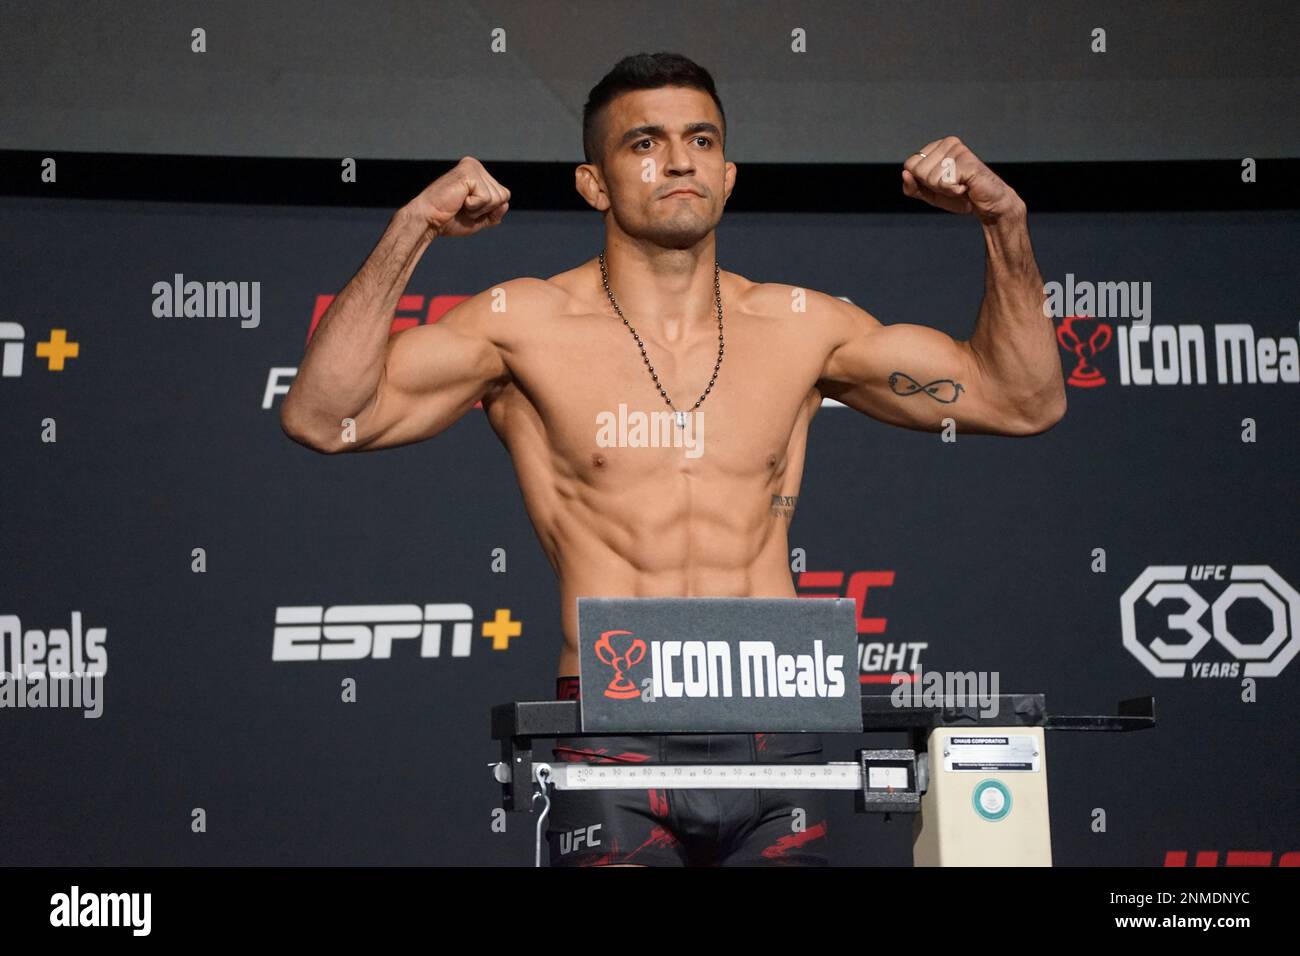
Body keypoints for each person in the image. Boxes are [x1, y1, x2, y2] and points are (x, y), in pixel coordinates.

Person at [279, 52, 1066, 866]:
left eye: (700, 139)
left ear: (728, 174)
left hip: (781, 730)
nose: (679, 159)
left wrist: (1004, 223)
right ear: (594, 183)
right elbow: (322, 415)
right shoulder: (521, 327)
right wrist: (413, 229)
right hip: (610, 736)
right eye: (644, 143)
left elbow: (1022, 399)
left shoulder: (802, 327)